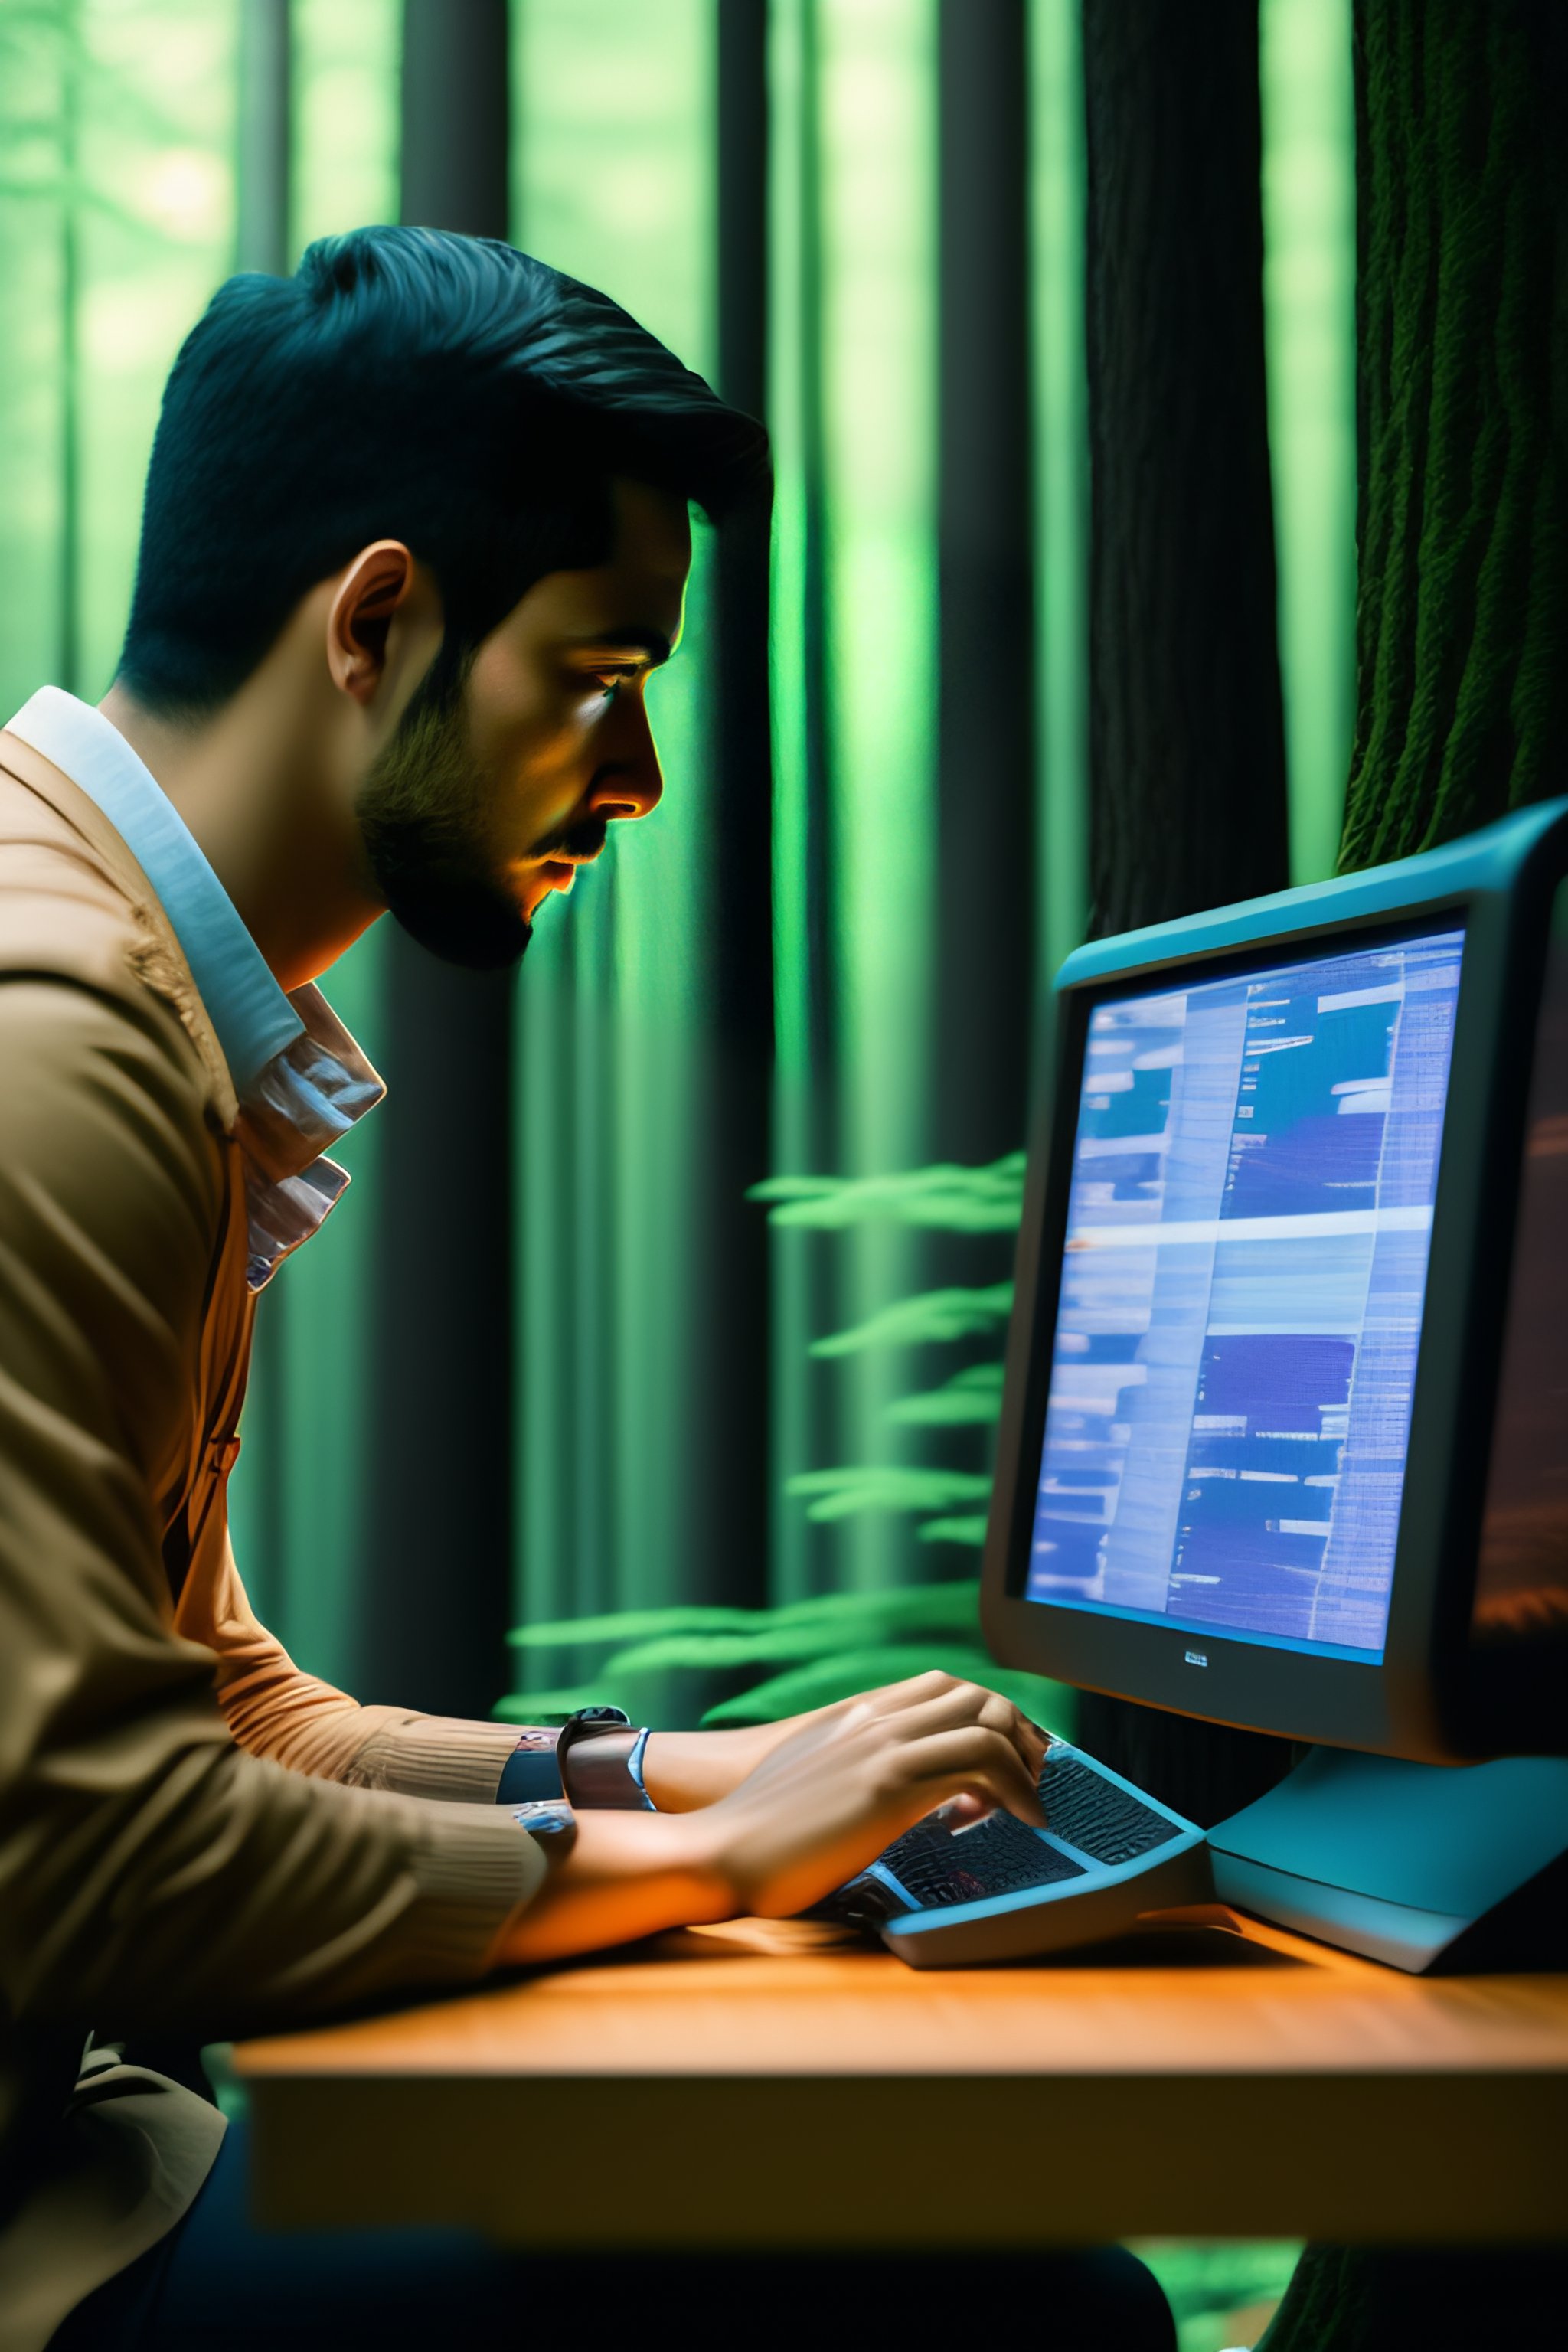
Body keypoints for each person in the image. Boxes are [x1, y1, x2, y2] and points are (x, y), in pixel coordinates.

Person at [0, 227, 1173, 2352]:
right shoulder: (58, 1043)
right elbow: (88, 1860)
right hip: (40, 2245)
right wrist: (709, 1872)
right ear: (377, 624)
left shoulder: (133, 995)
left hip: (83, 2153)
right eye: (600, 677)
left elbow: (227, 1716)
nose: (635, 779)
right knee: (1039, 2313)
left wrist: (684, 1778)